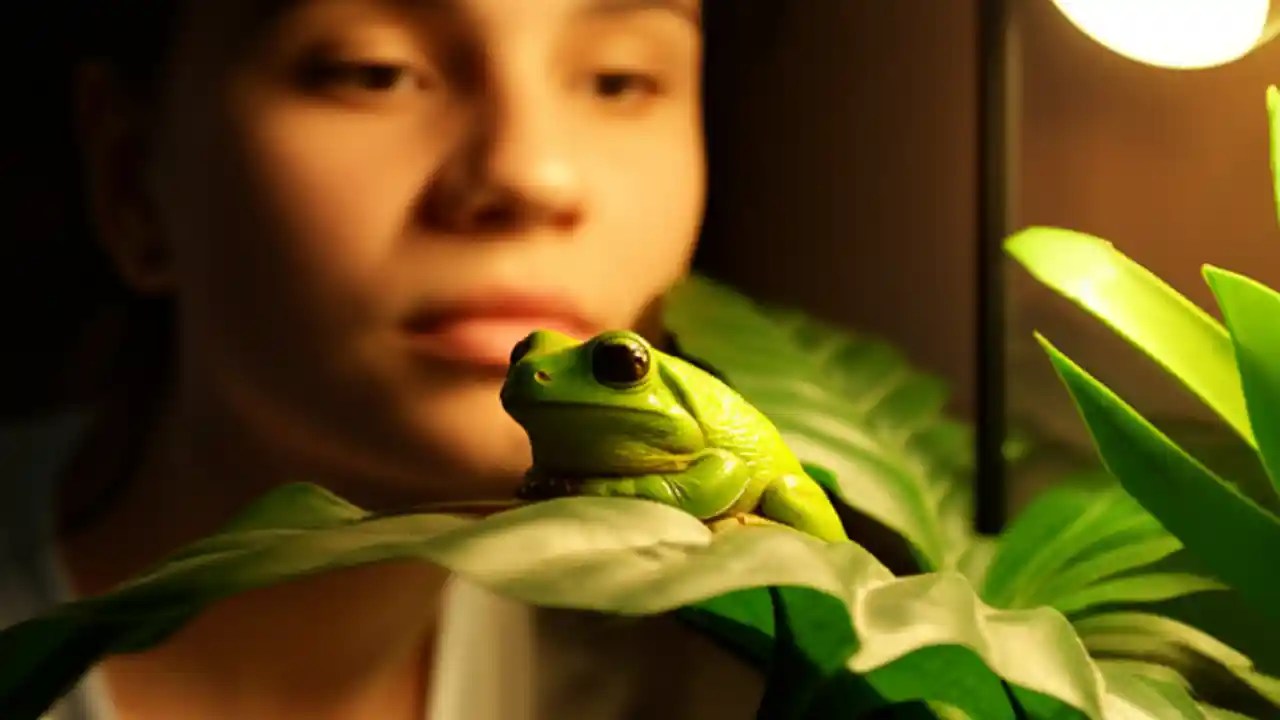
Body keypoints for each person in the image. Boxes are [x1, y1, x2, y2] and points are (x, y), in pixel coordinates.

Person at [0, 0, 768, 718]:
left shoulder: (726, 681)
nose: (531, 175)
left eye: (619, 80)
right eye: (375, 72)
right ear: (131, 177)